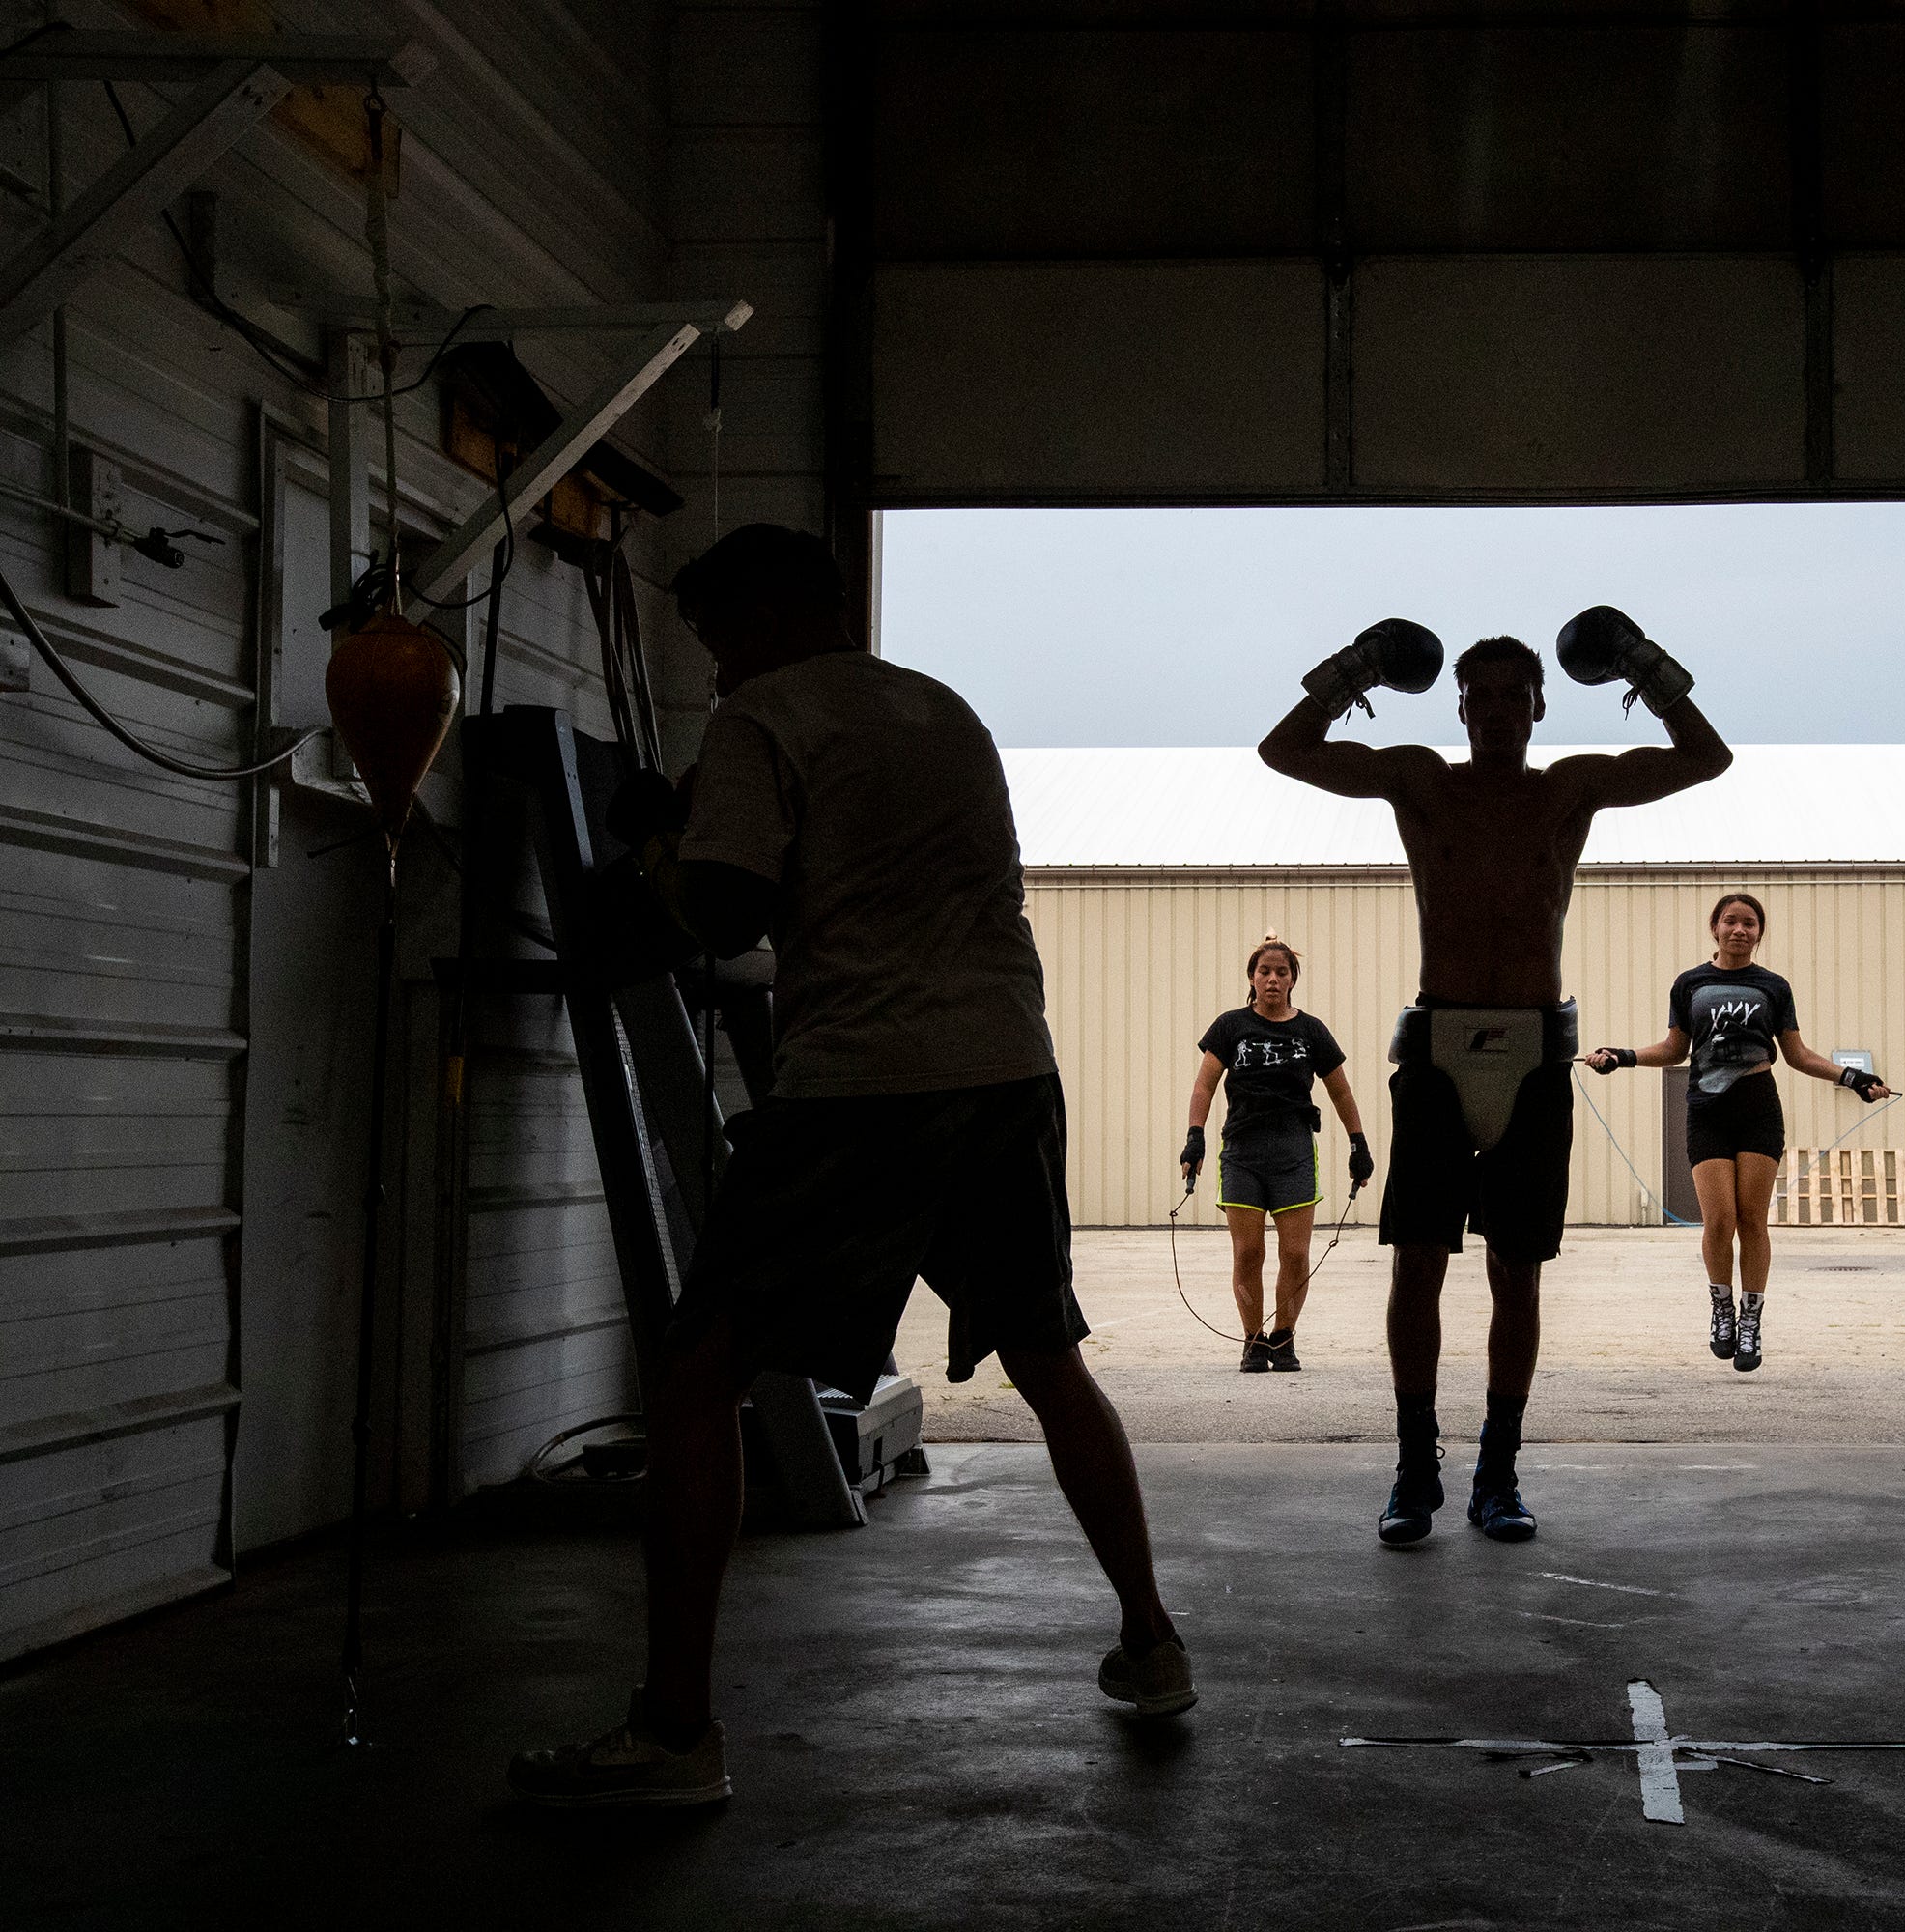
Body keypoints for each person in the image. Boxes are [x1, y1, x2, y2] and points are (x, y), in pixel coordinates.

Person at [508, 526, 1190, 1808]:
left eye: (716, 644)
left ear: (765, 621)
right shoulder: (945, 714)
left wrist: (660, 848)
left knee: (697, 1370)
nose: (711, 676)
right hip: (1006, 1069)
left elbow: (723, 914)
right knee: (1051, 1364)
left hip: (867, 1087)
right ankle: (1152, 1644)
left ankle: (672, 1736)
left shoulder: (767, 718)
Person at [1261, 611, 1730, 1546]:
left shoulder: (1570, 789)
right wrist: (1354, 666)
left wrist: (1642, 662)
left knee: (1518, 1272)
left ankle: (1498, 1472)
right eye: (1483, 698)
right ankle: (1412, 1466)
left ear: (1540, 705)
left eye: (1517, 697)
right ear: (1461, 704)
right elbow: (1284, 747)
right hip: (1437, 1044)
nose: (1500, 712)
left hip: (1534, 1049)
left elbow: (1706, 755)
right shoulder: (1420, 779)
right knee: (1418, 1265)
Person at [1583, 891, 1893, 1373]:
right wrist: (1621, 1057)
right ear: (1715, 928)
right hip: (1706, 1110)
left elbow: (1797, 1055)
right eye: (1730, 922)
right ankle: (1721, 1308)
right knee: (1719, 1220)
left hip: (1758, 1109)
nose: (1739, 931)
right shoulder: (1691, 984)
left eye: (1750, 924)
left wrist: (1854, 1079)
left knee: (1752, 1220)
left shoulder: (1773, 987)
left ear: (1759, 934)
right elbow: (1673, 1049)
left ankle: (1751, 1318)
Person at [1180, 935, 1372, 1373]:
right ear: (1252, 977)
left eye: (1281, 972)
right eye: (1264, 971)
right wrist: (1195, 1136)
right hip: (1243, 1152)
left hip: (1294, 1152)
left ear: (1292, 979)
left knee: (1296, 1254)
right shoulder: (1230, 1027)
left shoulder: (1311, 1031)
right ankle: (1253, 1341)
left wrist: (1358, 1144)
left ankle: (1283, 1338)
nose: (1272, 979)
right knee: (1249, 1252)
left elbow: (1339, 1090)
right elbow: (1204, 1085)